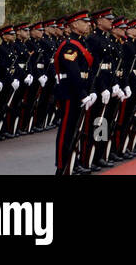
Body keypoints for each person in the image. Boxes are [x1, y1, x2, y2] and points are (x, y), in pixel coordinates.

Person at [53, 11, 95, 175]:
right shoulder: (70, 45)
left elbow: (87, 71)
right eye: (84, 22)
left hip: (79, 91)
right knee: (67, 129)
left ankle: (73, 162)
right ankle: (62, 164)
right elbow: (73, 72)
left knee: (76, 129)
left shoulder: (81, 43)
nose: (88, 24)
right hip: (70, 92)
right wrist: (83, 93)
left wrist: (90, 90)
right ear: (75, 25)